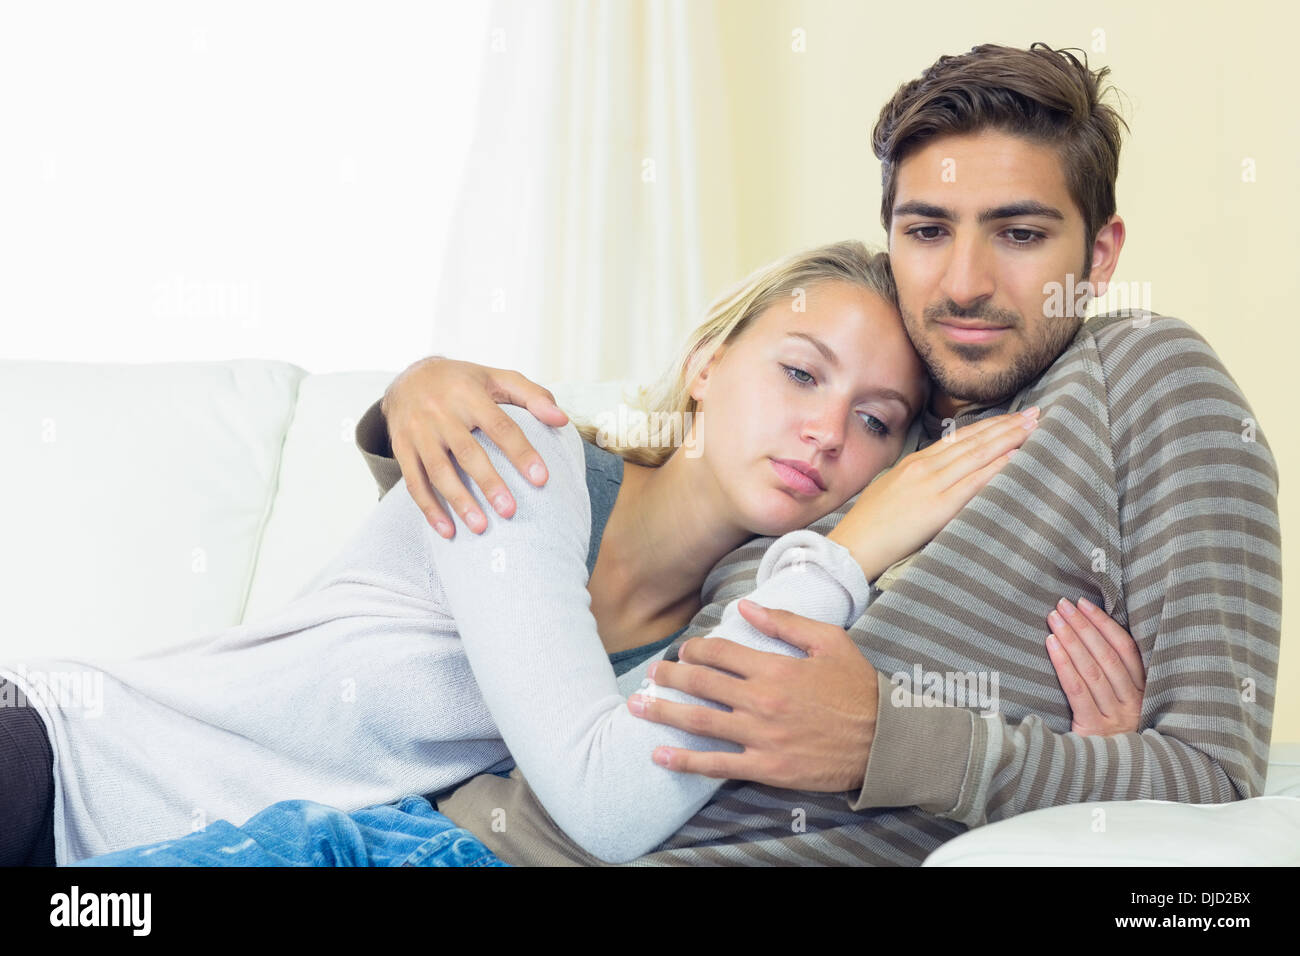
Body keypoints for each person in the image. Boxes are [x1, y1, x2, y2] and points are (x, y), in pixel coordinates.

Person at [2, 240, 1125, 868]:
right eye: (799, 371)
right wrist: (850, 547)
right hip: (59, 760)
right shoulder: (524, 459)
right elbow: (602, 798)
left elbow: (826, 790)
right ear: (705, 363)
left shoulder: (725, 627)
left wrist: (1086, 760)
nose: (828, 430)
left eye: (878, 420)